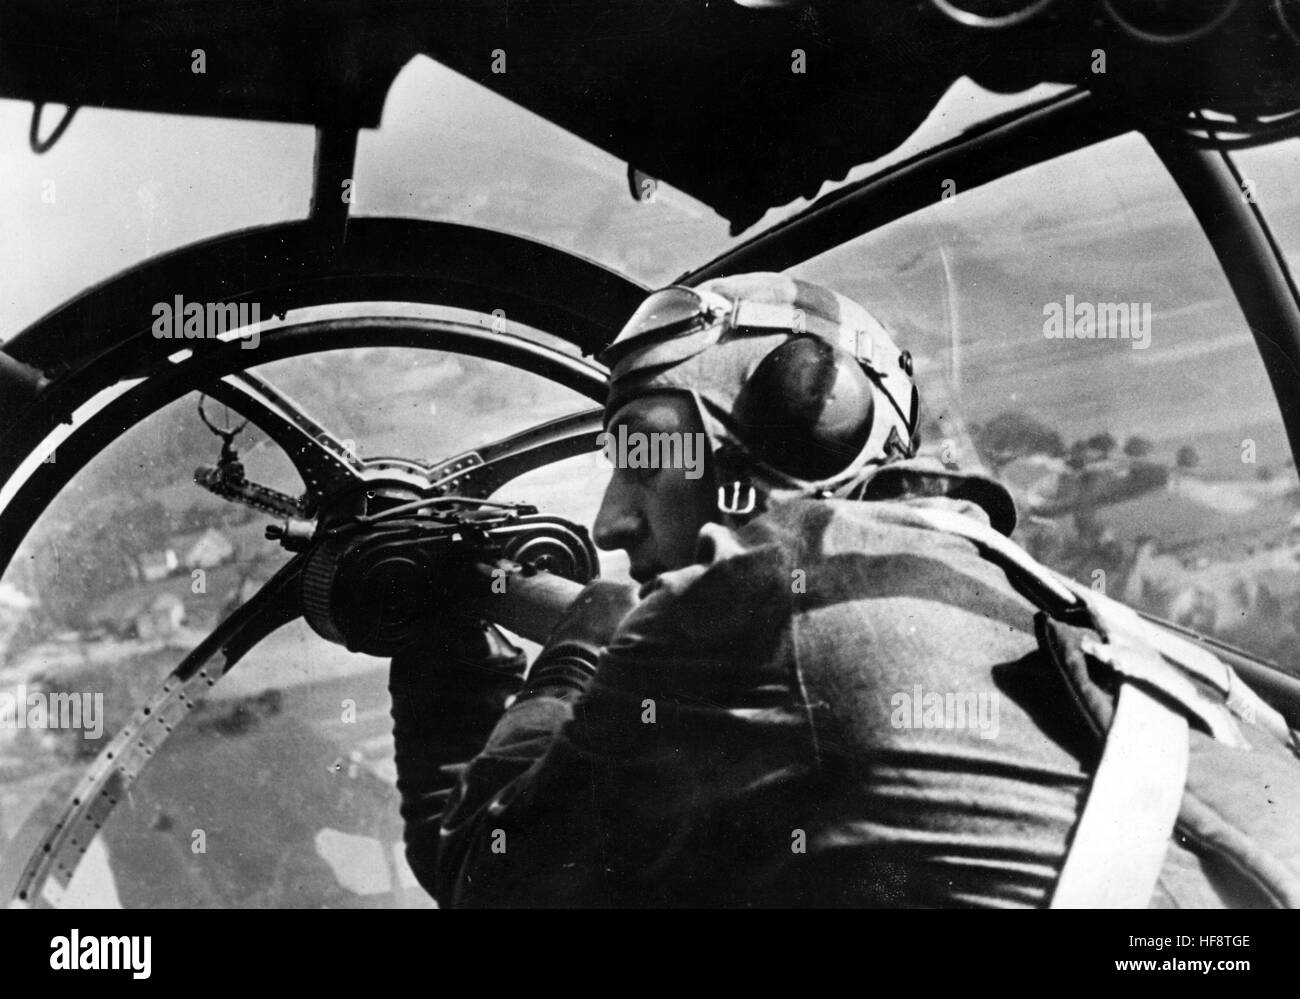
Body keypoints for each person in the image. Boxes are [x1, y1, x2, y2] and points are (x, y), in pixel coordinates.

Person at [388, 272, 1294, 908]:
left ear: (794, 434)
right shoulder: (1034, 598)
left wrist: (568, 641)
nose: (608, 523)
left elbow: (485, 876)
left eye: (647, 453)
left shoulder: (764, 589)